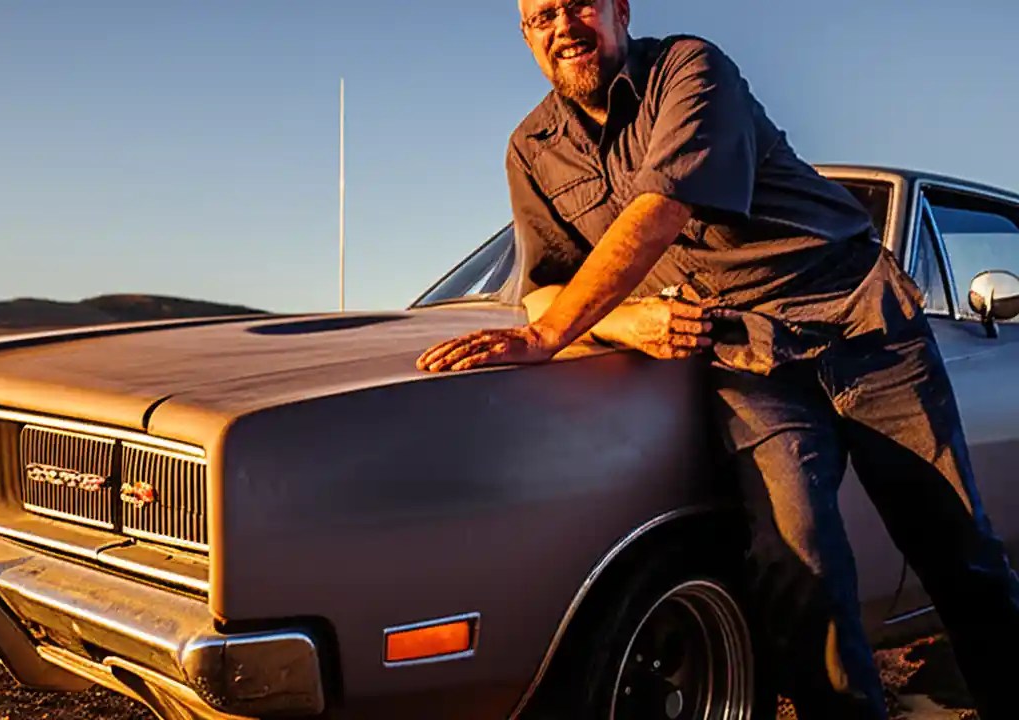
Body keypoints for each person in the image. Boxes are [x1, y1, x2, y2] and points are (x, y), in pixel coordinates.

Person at [416, 1, 1019, 718]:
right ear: (526, 34)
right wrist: (629, 320)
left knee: (957, 551)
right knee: (798, 567)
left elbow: (658, 210)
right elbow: (544, 288)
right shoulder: (532, 149)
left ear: (618, 9)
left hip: (862, 326)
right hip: (745, 358)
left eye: (580, 3)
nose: (563, 25)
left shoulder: (690, 67)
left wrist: (554, 336)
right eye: (541, 15)